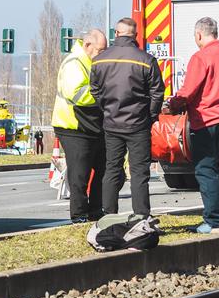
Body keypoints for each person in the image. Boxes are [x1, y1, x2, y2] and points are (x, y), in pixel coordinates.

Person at [167, 16, 219, 234]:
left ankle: (213, 221)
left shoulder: (200, 58)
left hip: (204, 118)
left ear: (199, 34)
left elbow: (188, 90)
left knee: (204, 170)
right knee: (213, 167)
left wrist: (172, 104)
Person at [91, 17, 164, 221]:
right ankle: (141, 214)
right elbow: (157, 93)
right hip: (138, 124)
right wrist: (150, 116)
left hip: (111, 123)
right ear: (136, 35)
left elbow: (95, 90)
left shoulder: (100, 60)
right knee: (139, 171)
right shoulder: (146, 60)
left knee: (112, 168)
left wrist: (106, 109)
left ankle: (108, 214)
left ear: (116, 34)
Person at [49, 27, 108, 224]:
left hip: (91, 126)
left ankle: (96, 211)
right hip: (73, 127)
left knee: (103, 169)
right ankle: (79, 215)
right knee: (80, 173)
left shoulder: (91, 61)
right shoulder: (74, 63)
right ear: (87, 45)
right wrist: (105, 94)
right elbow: (77, 94)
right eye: (100, 50)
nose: (103, 54)